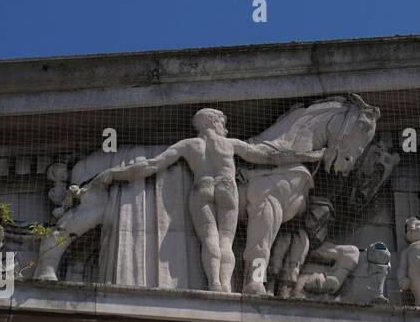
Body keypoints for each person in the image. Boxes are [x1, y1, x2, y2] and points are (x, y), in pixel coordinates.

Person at [99, 108, 322, 292]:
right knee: (226, 241)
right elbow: (268, 157)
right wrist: (308, 156)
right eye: (223, 123)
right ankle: (226, 285)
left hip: (202, 188)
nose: (225, 128)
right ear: (214, 122)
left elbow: (152, 165)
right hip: (227, 189)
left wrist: (116, 173)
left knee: (209, 240)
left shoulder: (188, 145)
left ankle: (214, 283)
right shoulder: (230, 144)